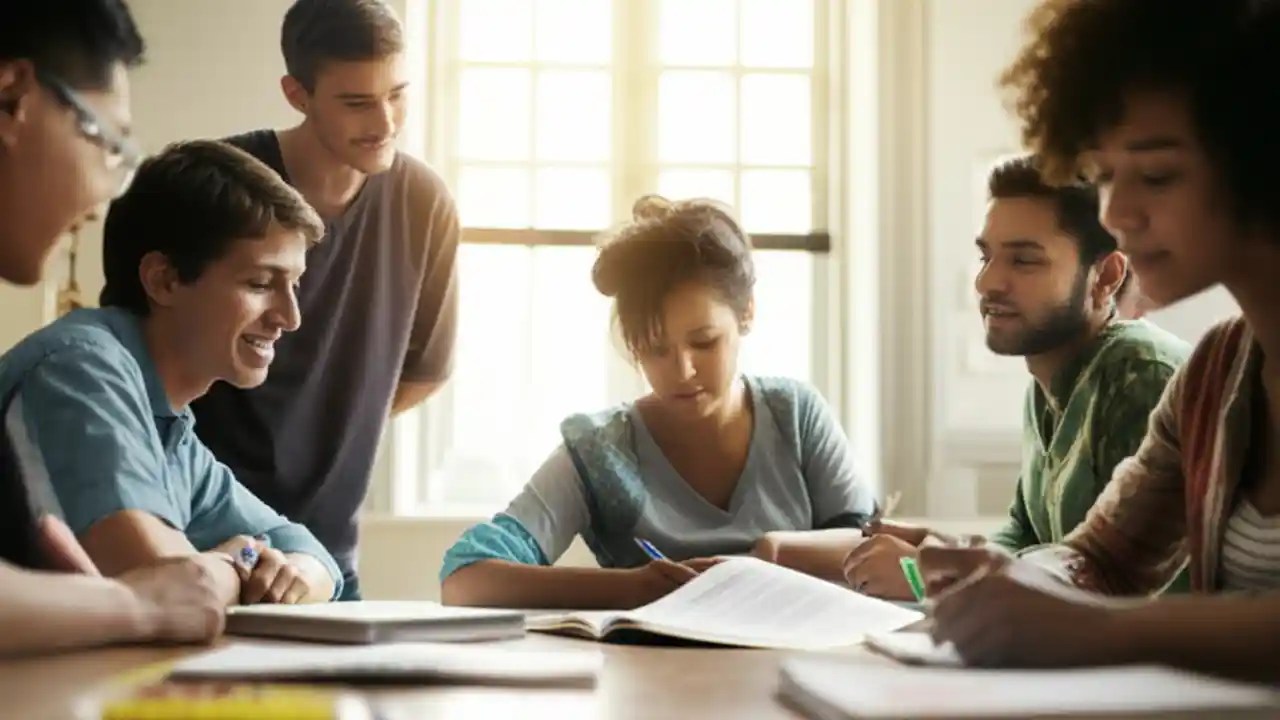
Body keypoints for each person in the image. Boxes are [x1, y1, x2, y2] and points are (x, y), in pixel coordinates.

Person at [917, 0, 1280, 683]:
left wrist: (1098, 627)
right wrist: (1015, 579)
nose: (1113, 212)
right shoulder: (1214, 372)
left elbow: (1111, 606)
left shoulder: (1142, 366)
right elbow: (1105, 556)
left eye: (1158, 174)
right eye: (1107, 174)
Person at [440, 196, 877, 609]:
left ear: (746, 313)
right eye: (655, 350)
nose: (683, 370)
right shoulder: (602, 451)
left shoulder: (795, 415)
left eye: (704, 343)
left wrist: (772, 553)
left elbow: (873, 547)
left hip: (799, 667)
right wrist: (635, 586)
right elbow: (466, 579)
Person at [189, 0, 459, 601]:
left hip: (329, 561)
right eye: (357, 102)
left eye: (398, 94)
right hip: (201, 549)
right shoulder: (216, 184)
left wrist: (326, 425)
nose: (385, 121)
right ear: (297, 93)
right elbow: (150, 360)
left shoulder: (424, 202)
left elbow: (425, 373)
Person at [0, 140, 344, 608]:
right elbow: (163, 582)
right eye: (261, 284)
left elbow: (315, 558)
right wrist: (235, 562)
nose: (290, 316)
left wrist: (271, 567)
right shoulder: (80, 369)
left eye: (294, 285)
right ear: (164, 280)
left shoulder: (172, 433)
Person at [843, 155, 1189, 600]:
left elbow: (1136, 588)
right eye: (986, 256)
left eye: (1024, 261)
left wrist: (926, 576)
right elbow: (1024, 540)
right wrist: (945, 551)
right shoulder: (1047, 385)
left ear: (1105, 276)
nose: (987, 283)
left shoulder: (1140, 376)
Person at [0, 0, 225, 655]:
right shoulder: (80, 362)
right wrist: (135, 604)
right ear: (13, 97)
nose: (105, 196)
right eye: (109, 143)